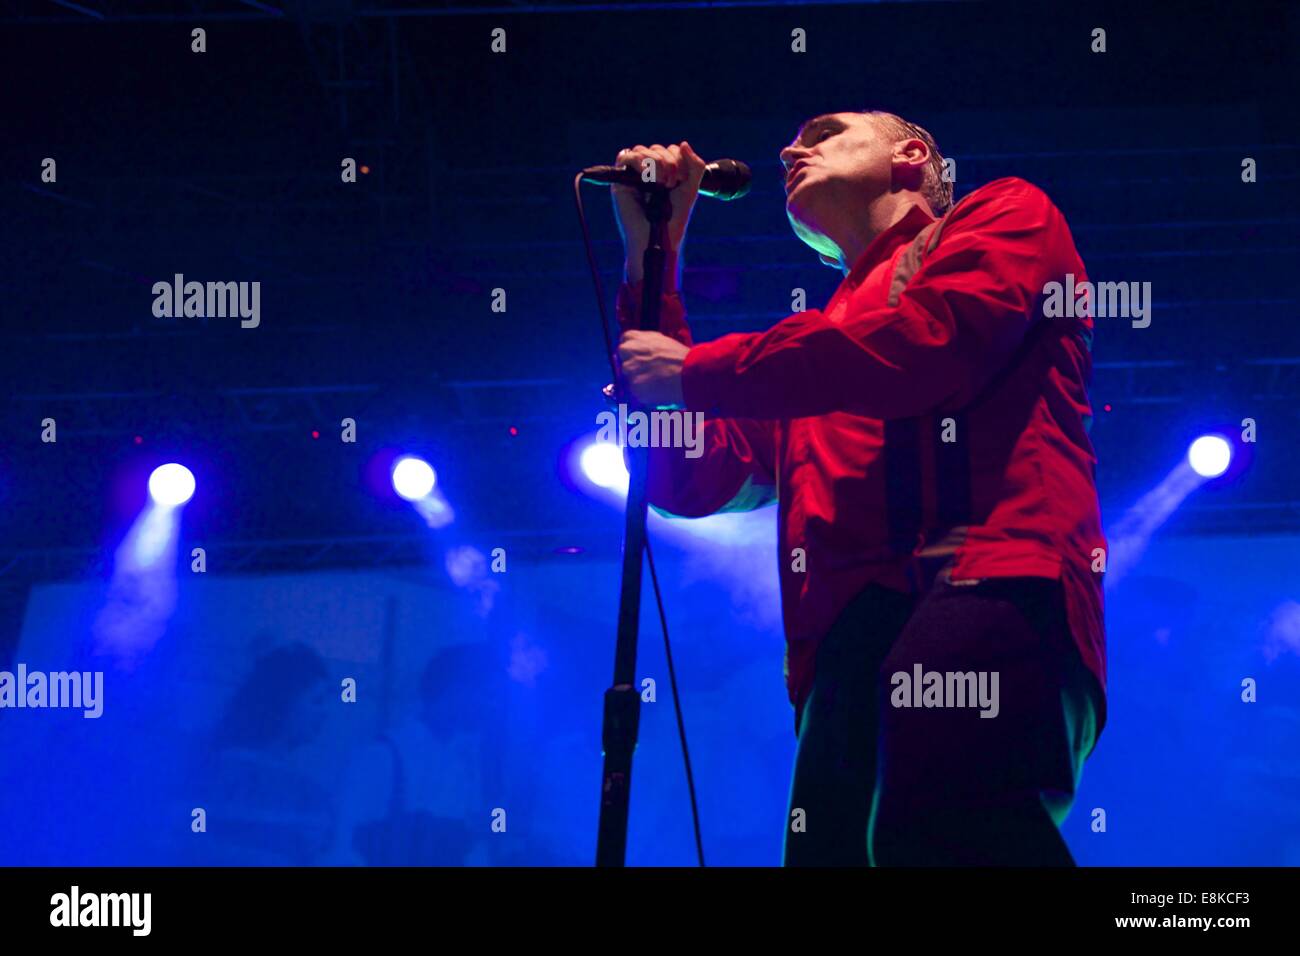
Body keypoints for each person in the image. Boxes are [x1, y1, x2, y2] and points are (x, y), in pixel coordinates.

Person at [609, 110, 1106, 866]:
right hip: (843, 648)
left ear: (912, 155)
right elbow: (693, 474)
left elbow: (928, 341)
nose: (788, 149)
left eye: (825, 134)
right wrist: (655, 257)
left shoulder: (1007, 214)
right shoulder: (817, 348)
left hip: (987, 579)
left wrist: (692, 371)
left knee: (942, 828)